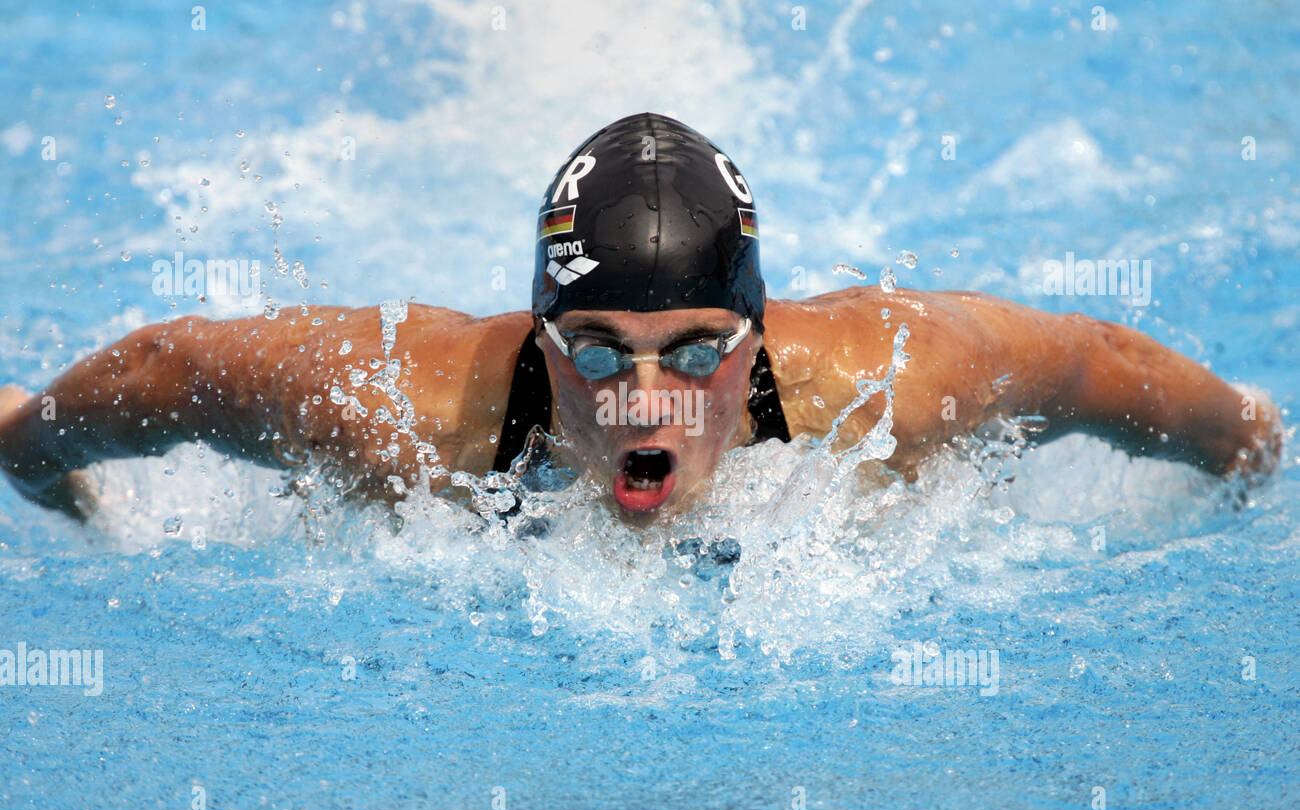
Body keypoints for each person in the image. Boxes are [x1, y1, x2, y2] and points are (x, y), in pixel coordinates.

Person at [0, 113, 1282, 523]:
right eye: (598, 350)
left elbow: (1087, 357)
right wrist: (28, 447)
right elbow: (176, 368)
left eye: (698, 352)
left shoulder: (887, 383)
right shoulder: (406, 410)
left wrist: (1244, 439)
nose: (644, 401)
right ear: (541, 336)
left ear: (759, 332)